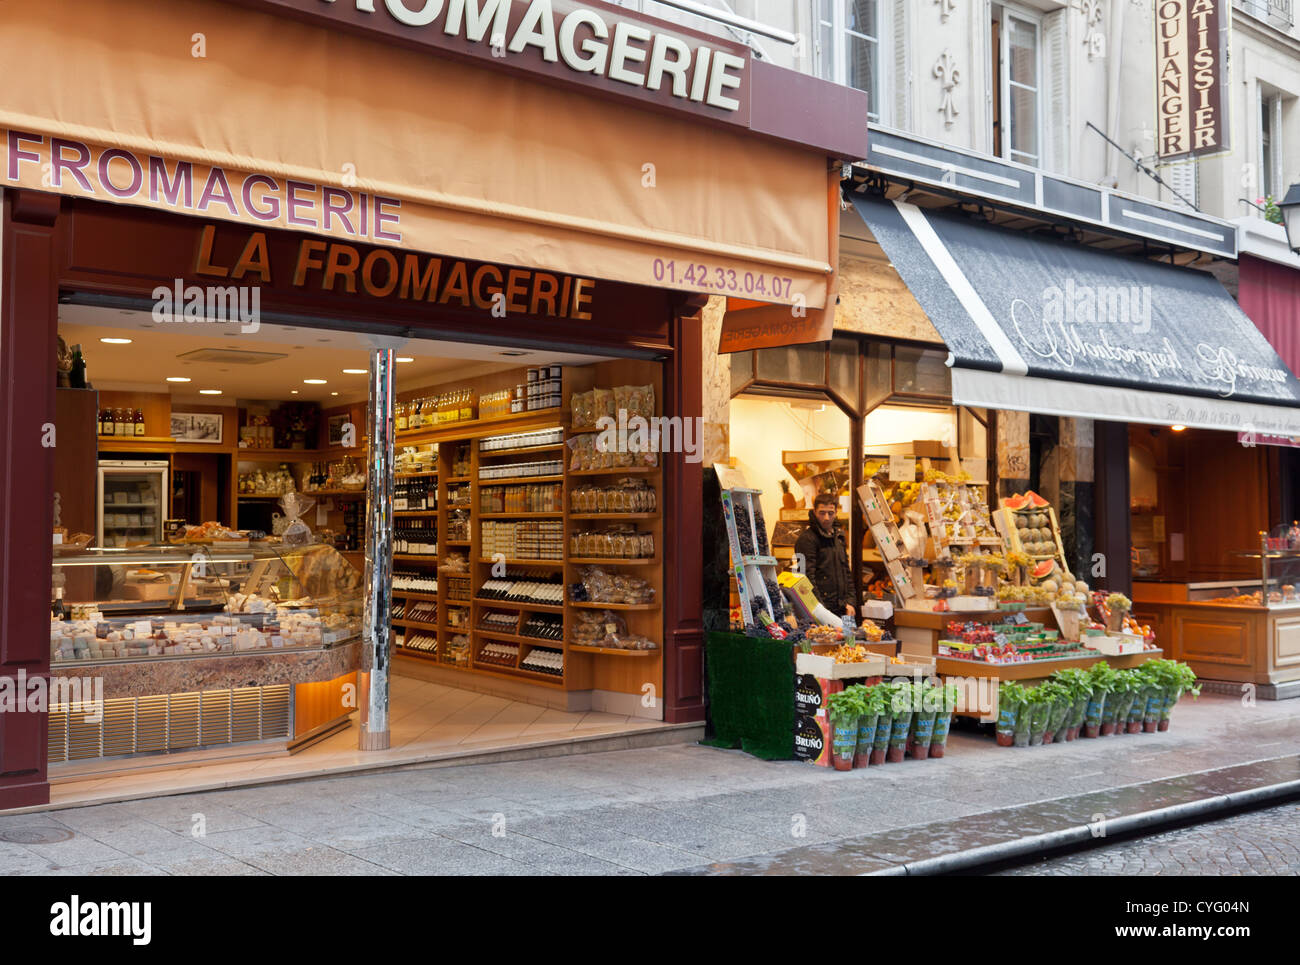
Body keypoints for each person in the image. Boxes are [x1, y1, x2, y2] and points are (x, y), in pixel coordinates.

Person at [794, 493, 855, 617]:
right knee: (828, 636)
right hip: (822, 610)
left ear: (836, 513)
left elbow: (846, 572)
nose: (826, 518)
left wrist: (851, 602)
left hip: (845, 608)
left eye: (830, 513)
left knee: (850, 636)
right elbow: (806, 578)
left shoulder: (839, 536)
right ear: (815, 512)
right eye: (822, 513)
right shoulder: (806, 539)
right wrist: (822, 610)